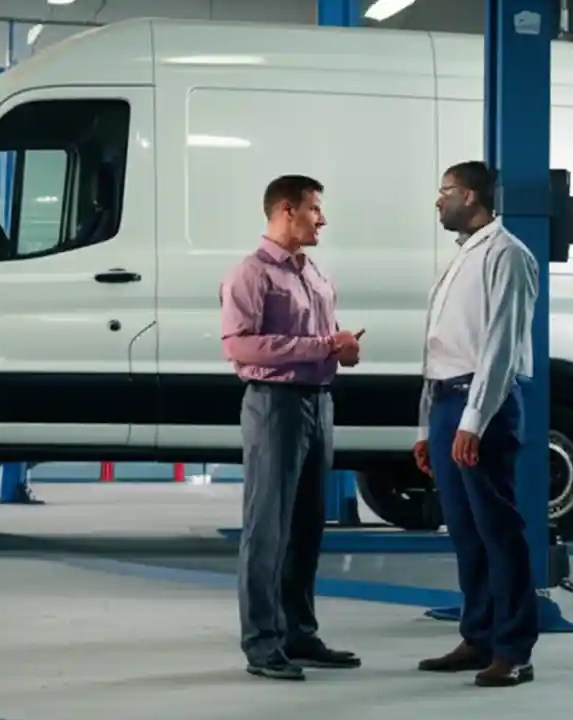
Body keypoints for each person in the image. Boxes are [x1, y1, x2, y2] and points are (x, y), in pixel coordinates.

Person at [218, 174, 365, 681]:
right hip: (275, 404)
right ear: (286, 210)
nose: (321, 218)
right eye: (314, 209)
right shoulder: (252, 274)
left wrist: (343, 350)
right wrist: (323, 346)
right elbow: (239, 346)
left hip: (318, 403)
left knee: (306, 526)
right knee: (268, 528)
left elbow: (324, 340)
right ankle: (263, 643)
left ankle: (299, 633)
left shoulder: (314, 273)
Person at [411, 161, 541, 688]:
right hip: (447, 403)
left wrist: (473, 422)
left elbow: (501, 348)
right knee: (465, 532)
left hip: (481, 406)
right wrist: (425, 429)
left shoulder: (507, 255)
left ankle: (514, 650)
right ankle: (479, 636)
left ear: (469, 195)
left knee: (498, 532)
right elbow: (436, 350)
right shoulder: (462, 258)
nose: (438, 202)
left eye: (443, 192)